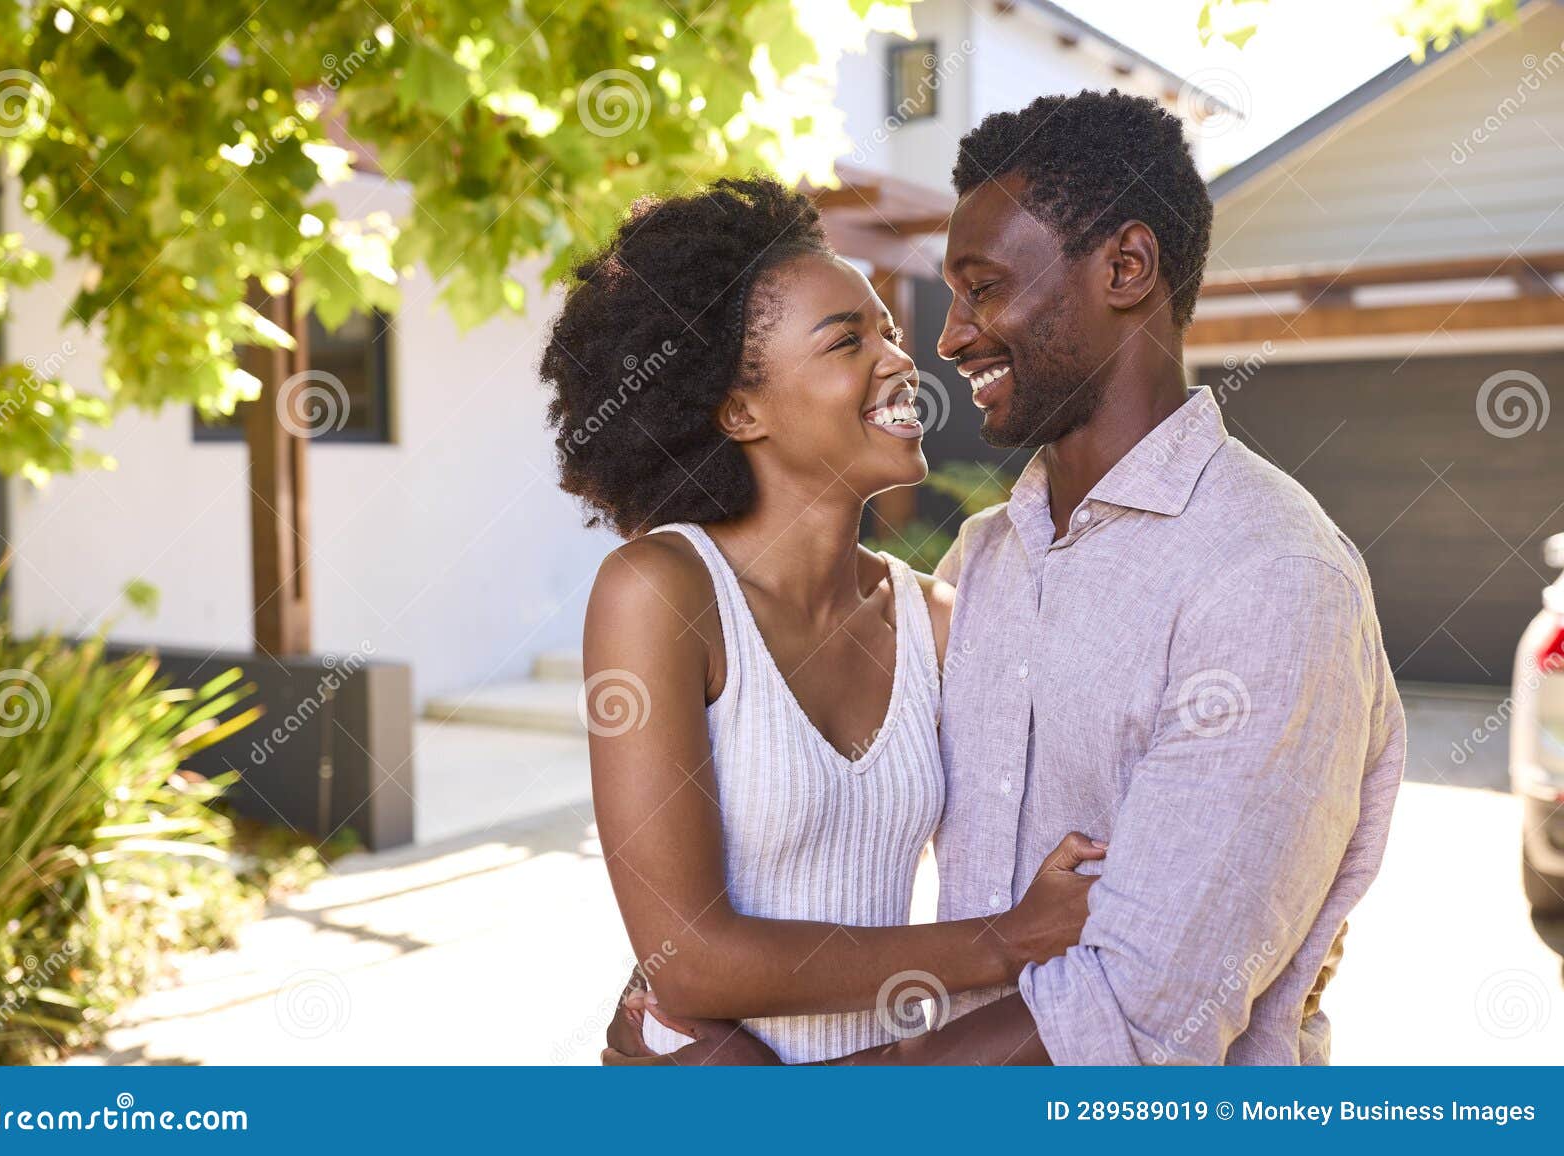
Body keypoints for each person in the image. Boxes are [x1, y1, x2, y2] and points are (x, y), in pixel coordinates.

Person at [604, 90, 1404, 1066]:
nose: (941, 341)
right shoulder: (983, 562)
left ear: (1125, 267)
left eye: (981, 287)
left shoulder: (1269, 575)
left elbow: (1139, 1019)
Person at [541, 175, 1106, 1065]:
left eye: (887, 329)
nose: (897, 359)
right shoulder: (661, 594)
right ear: (738, 409)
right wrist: (1007, 939)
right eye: (849, 341)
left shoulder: (935, 623)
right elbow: (689, 962)